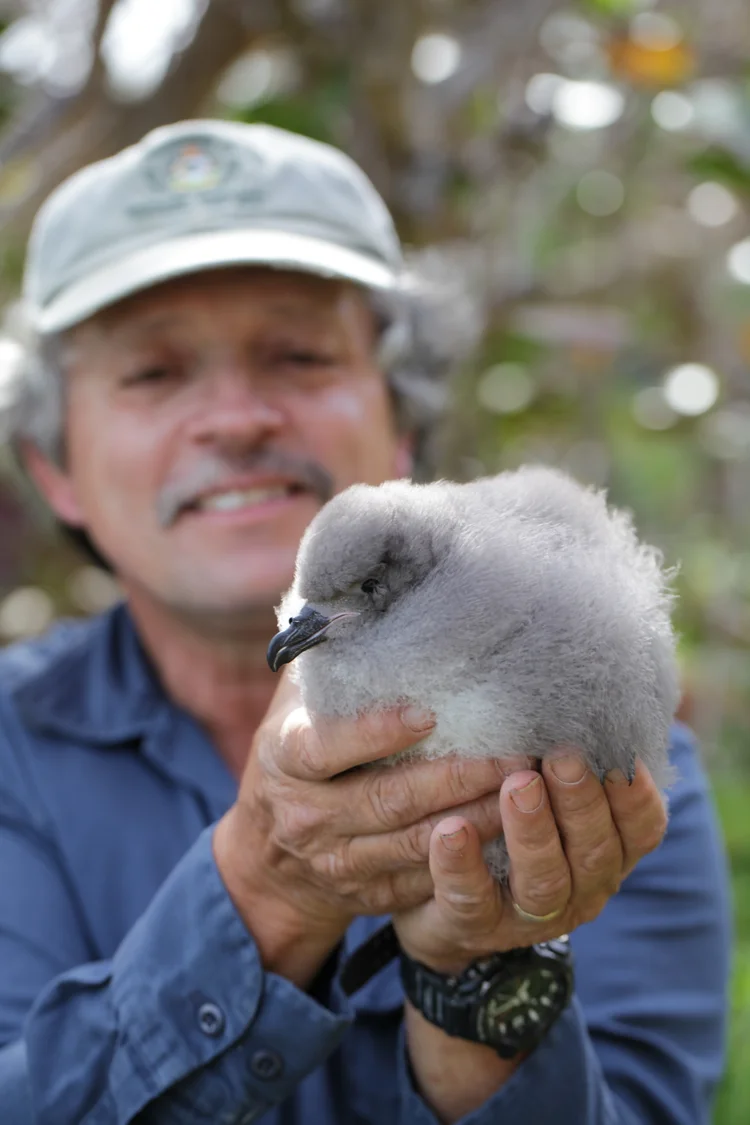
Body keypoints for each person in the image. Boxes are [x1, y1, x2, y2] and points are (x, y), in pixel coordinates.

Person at [0, 119, 730, 1125]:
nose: (236, 418)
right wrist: (265, 887)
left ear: (403, 427)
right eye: (154, 373)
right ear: (55, 469)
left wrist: (473, 977)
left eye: (299, 354)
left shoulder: (610, 758)